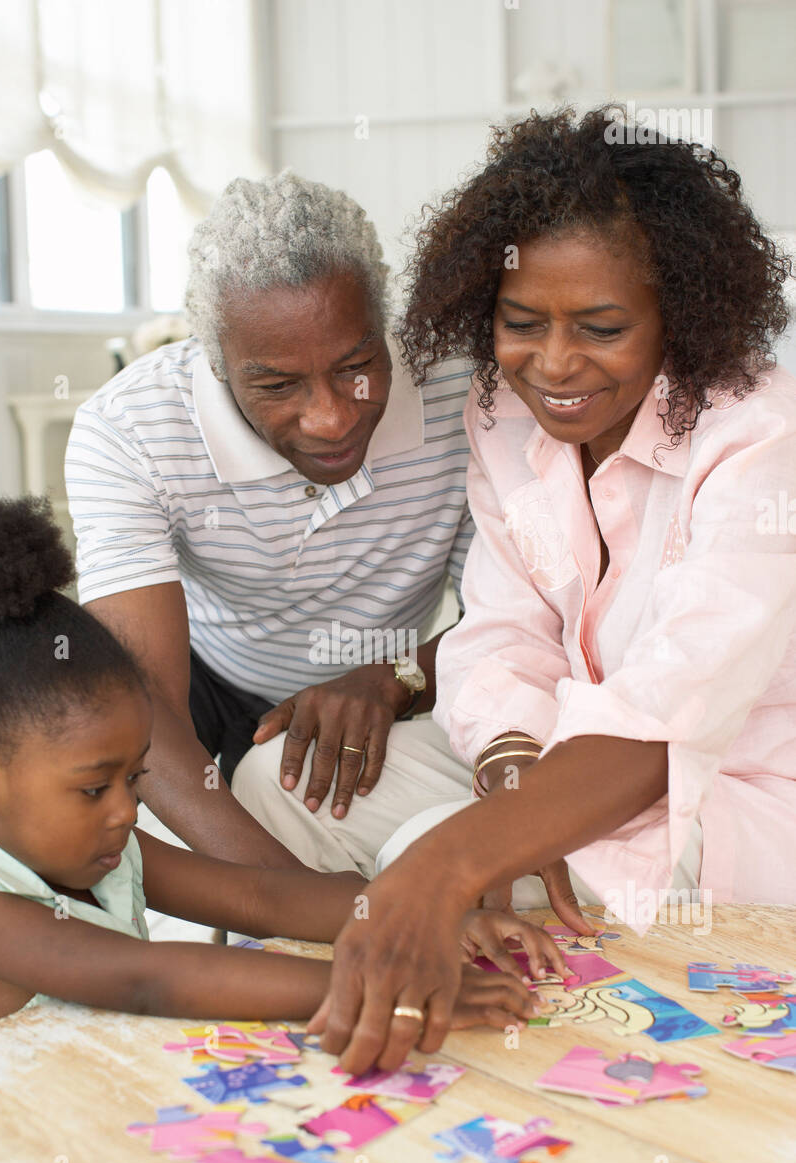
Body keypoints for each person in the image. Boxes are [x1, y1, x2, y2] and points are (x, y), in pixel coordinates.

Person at [311, 106, 796, 1075]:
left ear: (680, 314)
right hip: (554, 759)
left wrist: (453, 861)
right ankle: (355, 937)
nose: (555, 364)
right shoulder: (499, 410)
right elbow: (498, 630)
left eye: (602, 327)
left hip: (721, 789)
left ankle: (401, 953)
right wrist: (508, 773)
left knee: (420, 850)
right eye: (520, 324)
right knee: (280, 795)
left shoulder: (762, 437)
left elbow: (669, 713)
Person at [0, 497, 556, 1049]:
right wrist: (386, 982)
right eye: (96, 788)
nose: (126, 810)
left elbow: (258, 895)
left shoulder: (89, 840)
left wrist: (432, 917)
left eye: (133, 778)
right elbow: (147, 979)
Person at [65, 171, 475, 875]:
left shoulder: (465, 393)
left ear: (385, 327)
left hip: (403, 686)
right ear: (216, 362)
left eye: (357, 367)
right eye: (276, 385)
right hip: (211, 692)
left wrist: (400, 678)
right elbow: (143, 705)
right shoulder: (130, 429)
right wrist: (302, 902)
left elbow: (515, 625)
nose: (332, 418)